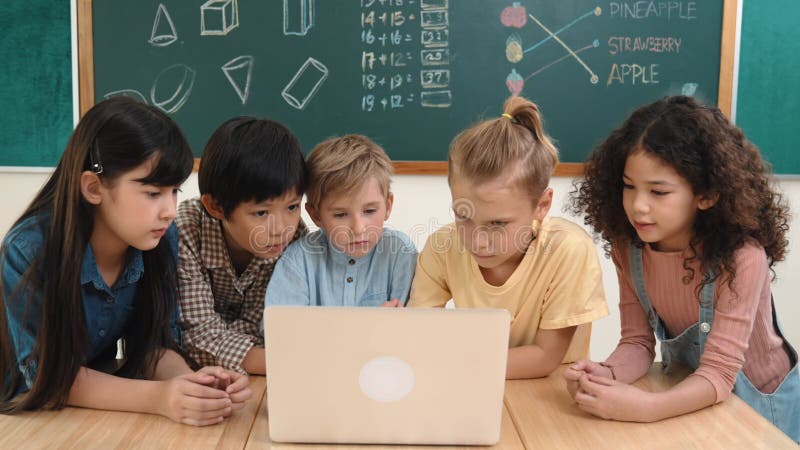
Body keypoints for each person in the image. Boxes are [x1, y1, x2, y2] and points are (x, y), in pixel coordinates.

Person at [0, 97, 250, 426]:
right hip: (23, 417)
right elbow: (47, 377)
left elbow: (151, 347)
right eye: (152, 193)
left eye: (174, 191)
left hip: (94, 413)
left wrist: (191, 383)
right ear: (93, 186)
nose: (170, 210)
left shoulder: (162, 238)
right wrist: (159, 398)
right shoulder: (29, 249)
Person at [566, 95, 799, 442]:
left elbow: (720, 373)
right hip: (691, 395)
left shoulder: (742, 257)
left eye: (659, 192)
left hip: (761, 408)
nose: (638, 206)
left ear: (706, 194)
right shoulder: (628, 248)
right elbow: (637, 343)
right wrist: (605, 375)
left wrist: (645, 407)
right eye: (629, 187)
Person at [409, 96, 608, 379]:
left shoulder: (568, 249)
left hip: (551, 394)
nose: (478, 241)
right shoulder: (442, 247)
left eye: (498, 223)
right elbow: (421, 337)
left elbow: (543, 358)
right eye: (463, 216)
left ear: (542, 205)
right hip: (476, 387)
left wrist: (450, 362)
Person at [177, 117, 307, 375]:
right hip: (186, 377)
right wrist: (287, 363)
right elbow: (195, 336)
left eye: (292, 207)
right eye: (261, 213)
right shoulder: (186, 231)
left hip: (255, 378)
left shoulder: (296, 238)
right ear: (216, 207)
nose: (281, 227)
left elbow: (265, 330)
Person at [265, 134, 417, 308]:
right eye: (340, 215)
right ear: (316, 216)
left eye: (369, 211)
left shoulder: (400, 253)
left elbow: (412, 327)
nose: (358, 229)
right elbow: (280, 329)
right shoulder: (298, 261)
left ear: (388, 206)